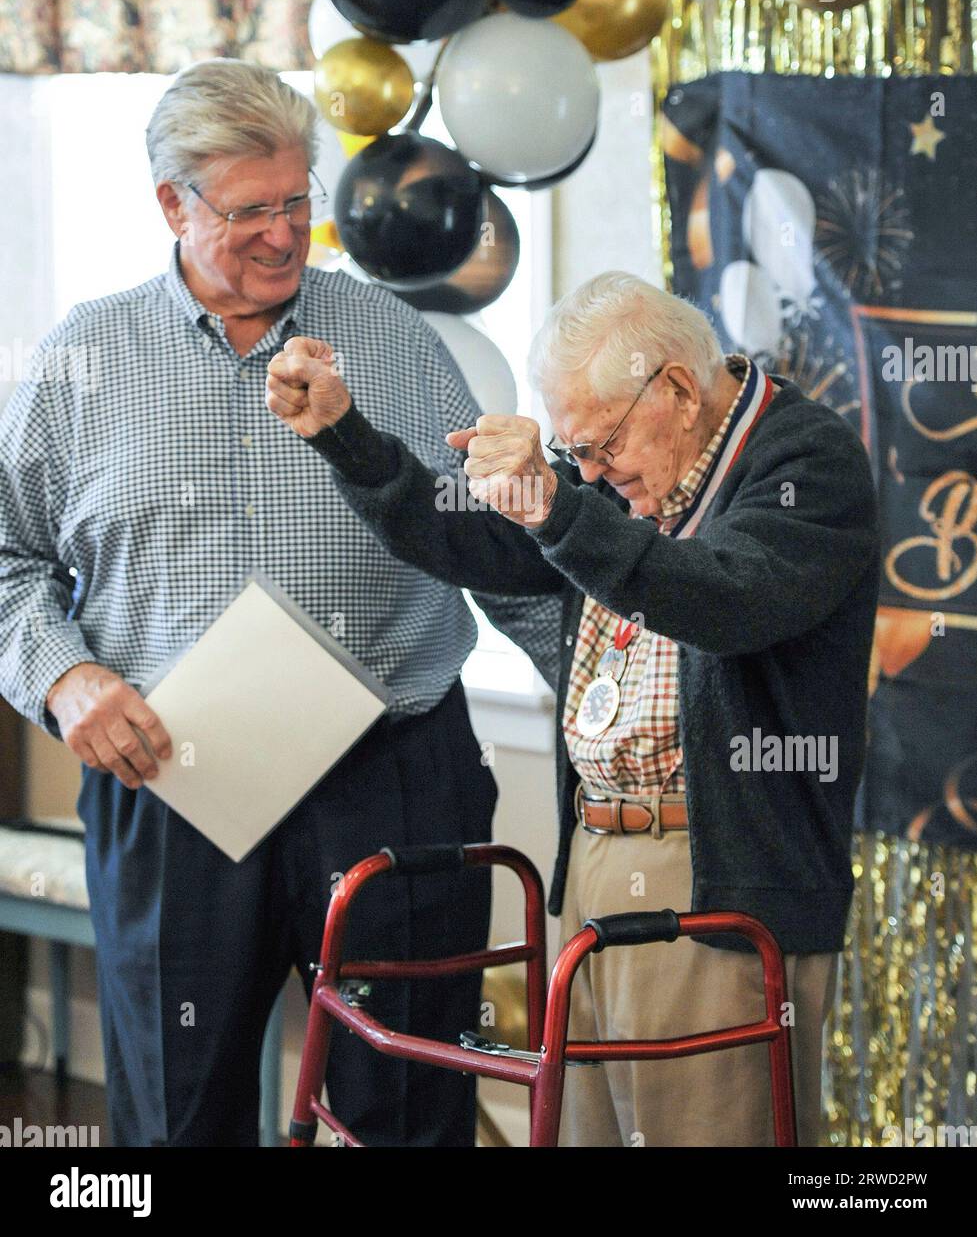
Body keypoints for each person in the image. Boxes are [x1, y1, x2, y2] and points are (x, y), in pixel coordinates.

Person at [0, 58, 559, 1147]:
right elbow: (7, 558)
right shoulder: (81, 357)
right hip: (174, 780)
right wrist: (67, 679)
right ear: (173, 203)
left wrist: (601, 709)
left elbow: (487, 544)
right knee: (174, 1111)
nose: (282, 232)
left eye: (297, 201)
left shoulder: (397, 338)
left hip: (395, 779)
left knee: (403, 1114)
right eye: (250, 209)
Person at [266, 271, 881, 1147]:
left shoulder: (804, 463)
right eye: (571, 453)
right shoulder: (618, 473)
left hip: (720, 873)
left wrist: (556, 505)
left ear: (672, 387)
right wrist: (345, 436)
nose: (589, 472)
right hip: (593, 856)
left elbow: (723, 598)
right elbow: (470, 537)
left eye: (598, 446)